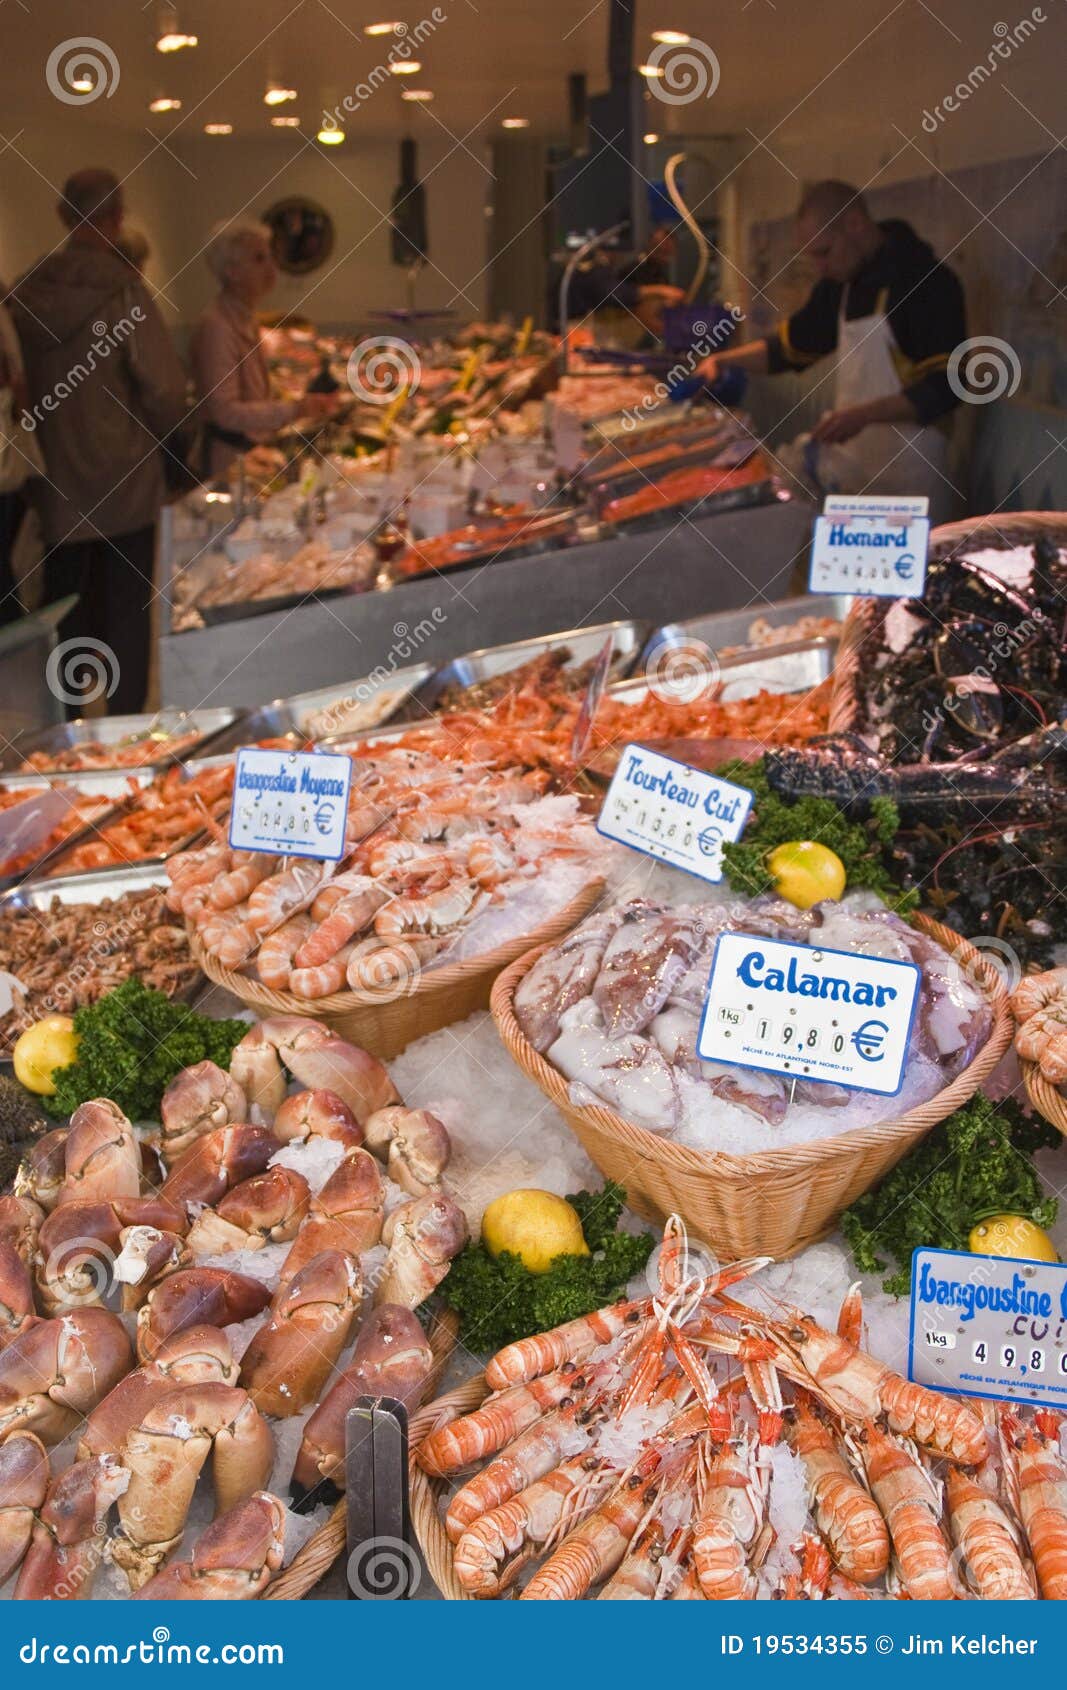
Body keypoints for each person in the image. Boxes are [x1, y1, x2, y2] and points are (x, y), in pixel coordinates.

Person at [8, 168, 187, 713]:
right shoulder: (125, 292)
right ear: (117, 217)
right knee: (126, 621)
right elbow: (164, 390)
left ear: (63, 216)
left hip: (55, 487)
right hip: (124, 487)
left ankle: (70, 736)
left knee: (68, 620)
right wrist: (175, 441)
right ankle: (125, 737)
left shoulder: (26, 294)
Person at [698, 181, 966, 519]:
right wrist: (721, 360)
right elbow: (789, 348)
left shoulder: (928, 283)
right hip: (854, 476)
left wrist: (863, 415)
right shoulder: (841, 285)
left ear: (855, 224)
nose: (819, 267)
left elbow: (946, 388)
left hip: (910, 483)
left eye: (824, 253)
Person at [190, 220, 339, 479]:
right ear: (232, 271)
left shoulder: (244, 317)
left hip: (249, 453)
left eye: (271, 256)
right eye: (259, 259)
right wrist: (295, 409)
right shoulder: (218, 326)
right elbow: (225, 412)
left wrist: (296, 402)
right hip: (228, 461)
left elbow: (254, 392)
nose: (272, 267)